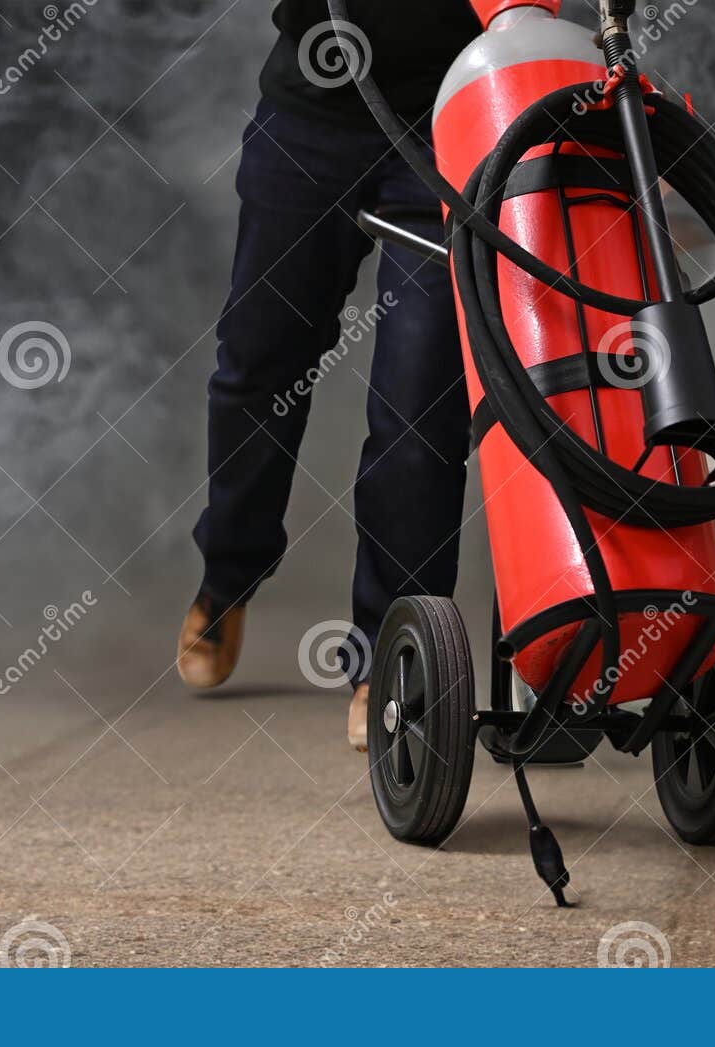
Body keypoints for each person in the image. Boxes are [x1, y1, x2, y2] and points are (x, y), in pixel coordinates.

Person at [179, 1, 481, 751]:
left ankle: (390, 657)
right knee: (257, 368)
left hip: (455, 124)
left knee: (421, 410)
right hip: (313, 117)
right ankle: (228, 575)